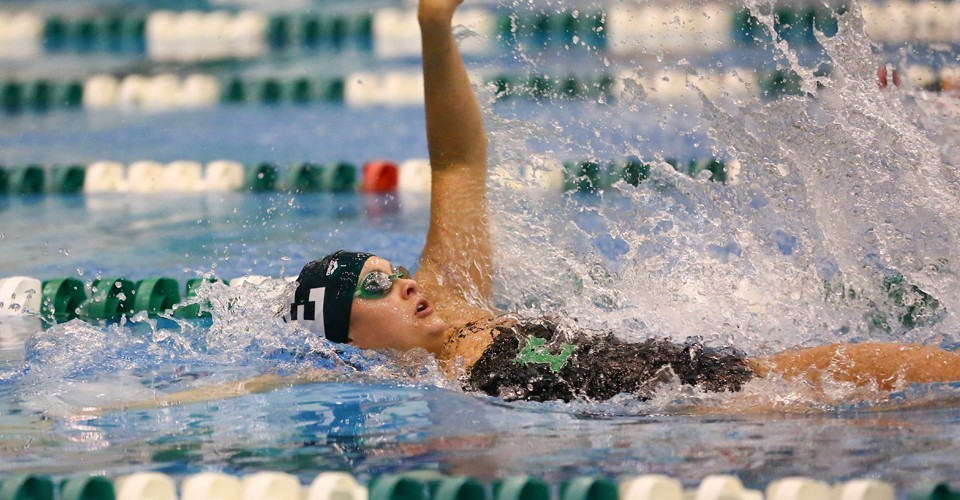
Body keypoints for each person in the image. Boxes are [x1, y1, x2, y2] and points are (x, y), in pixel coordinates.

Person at [282, 0, 960, 404]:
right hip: (698, 421)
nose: (405, 284)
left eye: (394, 273)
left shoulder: (452, 294)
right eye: (377, 288)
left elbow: (457, 161)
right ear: (350, 335)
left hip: (730, 384)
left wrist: (434, 24)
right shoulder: (420, 386)